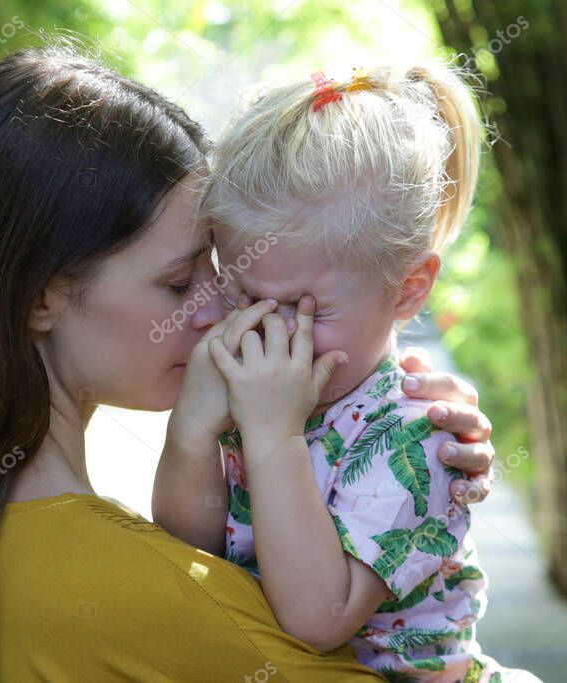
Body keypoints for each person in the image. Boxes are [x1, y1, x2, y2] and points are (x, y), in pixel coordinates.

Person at [0, 43, 497, 681]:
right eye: (181, 284)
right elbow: (213, 563)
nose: (220, 314)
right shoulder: (131, 595)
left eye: (220, 273)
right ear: (41, 295)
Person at [155, 62, 538, 681]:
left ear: (408, 291)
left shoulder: (418, 440)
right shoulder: (264, 385)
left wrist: (274, 436)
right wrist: (193, 430)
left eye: (307, 309)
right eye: (244, 292)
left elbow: (317, 616)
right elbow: (188, 551)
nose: (273, 330)